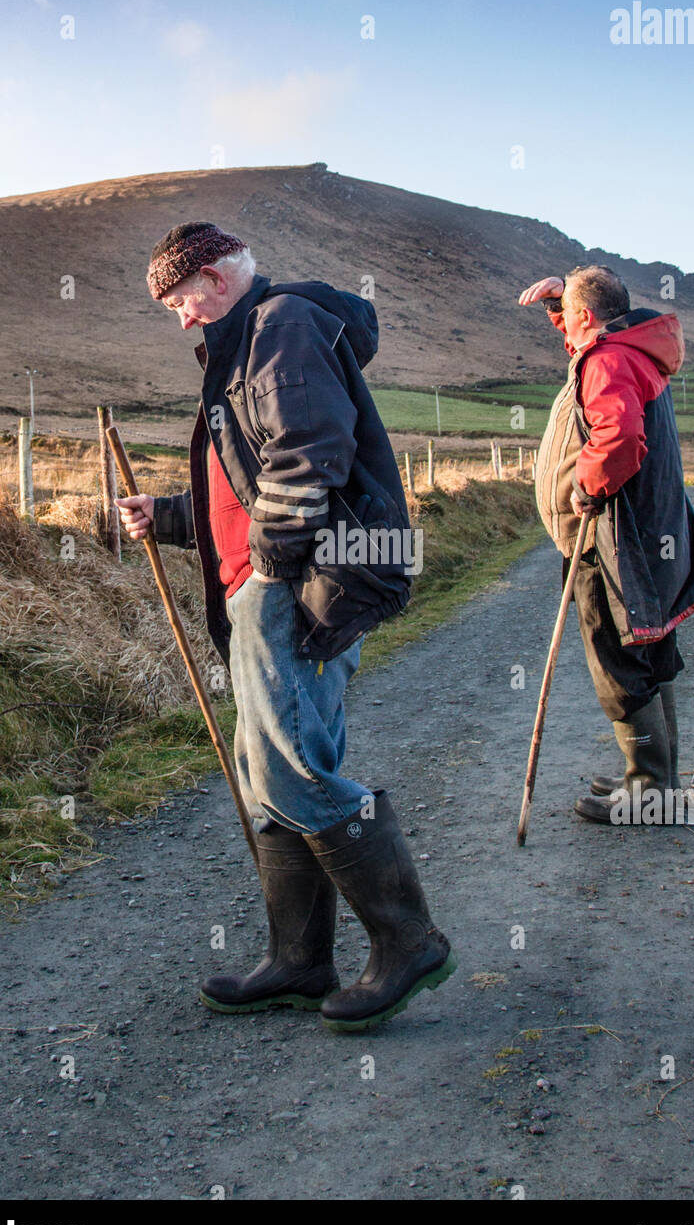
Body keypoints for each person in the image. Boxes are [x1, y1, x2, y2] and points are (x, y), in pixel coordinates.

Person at [117, 222, 455, 1031]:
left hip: (297, 582)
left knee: (290, 769)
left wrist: (270, 567)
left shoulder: (280, 326)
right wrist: (169, 515)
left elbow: (309, 453)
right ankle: (300, 960)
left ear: (216, 278)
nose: (178, 318)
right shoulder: (246, 344)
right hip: (273, 577)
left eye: (179, 298)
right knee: (266, 768)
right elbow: (248, 483)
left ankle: (407, 939)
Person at [518, 265, 694, 823]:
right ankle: (657, 778)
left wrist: (586, 484)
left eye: (572, 317)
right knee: (646, 649)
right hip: (641, 532)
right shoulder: (628, 346)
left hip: (613, 539)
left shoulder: (607, 360)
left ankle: (651, 790)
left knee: (620, 658)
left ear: (588, 316)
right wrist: (561, 306)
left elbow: (620, 438)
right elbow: (590, 353)